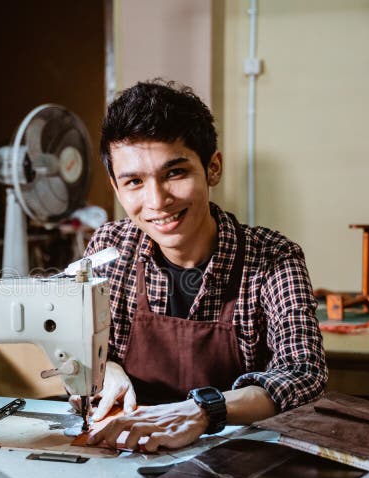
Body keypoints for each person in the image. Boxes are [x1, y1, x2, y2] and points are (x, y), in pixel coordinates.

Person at [78, 80, 327, 452]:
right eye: (134, 181)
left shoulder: (272, 258)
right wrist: (104, 371)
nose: (157, 200)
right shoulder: (109, 249)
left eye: (175, 173)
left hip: (238, 464)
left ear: (213, 168)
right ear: (116, 188)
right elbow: (74, 343)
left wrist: (205, 410)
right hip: (129, 452)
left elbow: (303, 374)